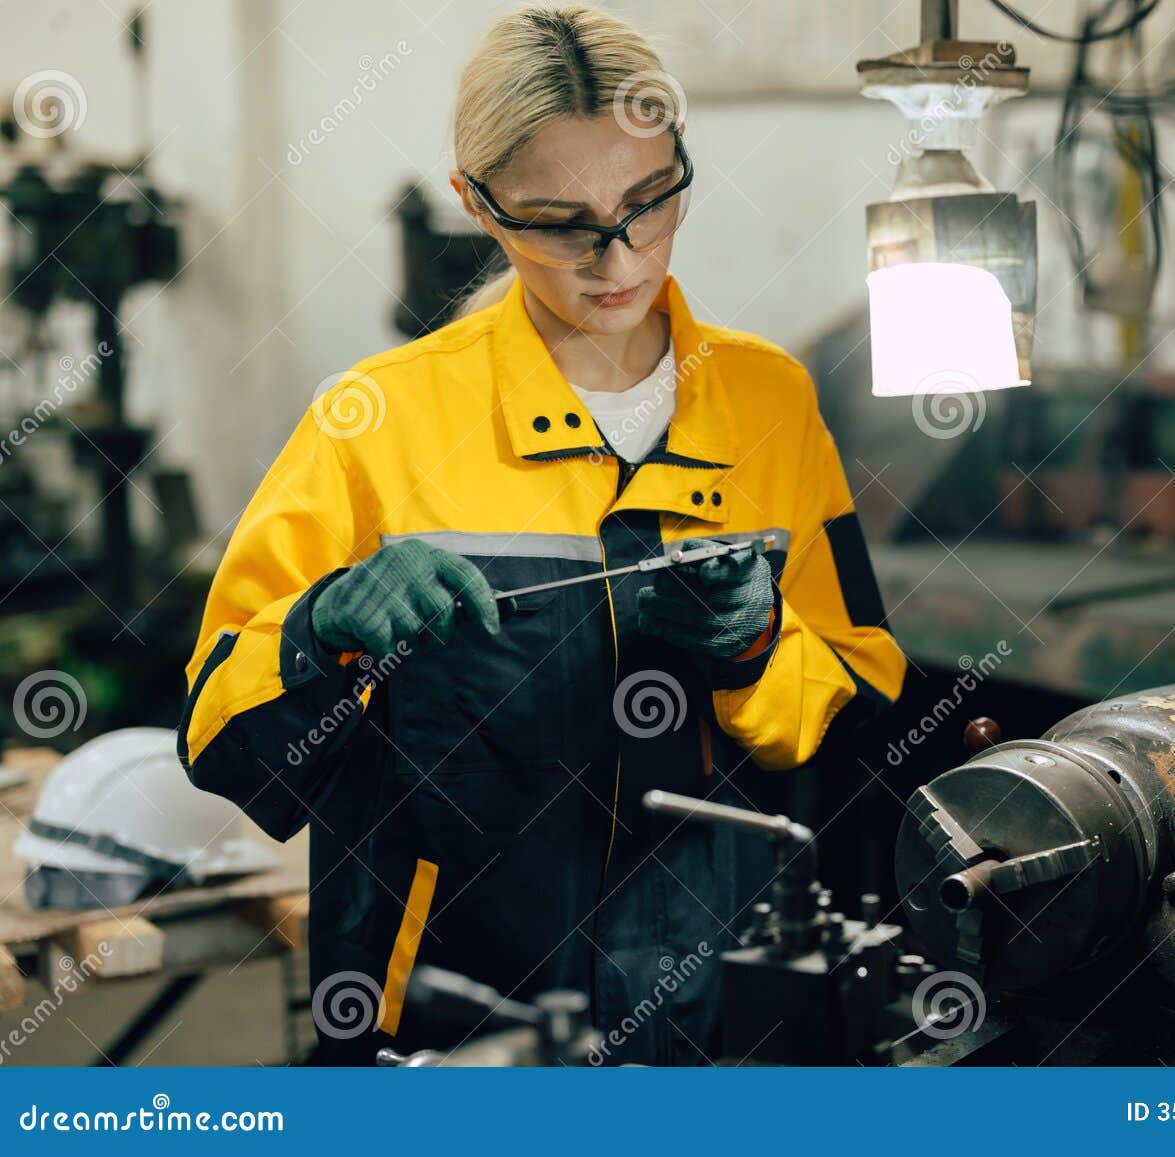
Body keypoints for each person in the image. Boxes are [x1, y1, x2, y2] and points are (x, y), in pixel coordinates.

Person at [178, 3, 905, 1065]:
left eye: (649, 201)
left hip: (710, 1017)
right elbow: (216, 734)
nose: (618, 255)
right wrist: (320, 627)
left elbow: (859, 707)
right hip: (444, 1026)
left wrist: (757, 648)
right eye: (562, 222)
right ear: (477, 203)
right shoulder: (375, 419)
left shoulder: (765, 401)